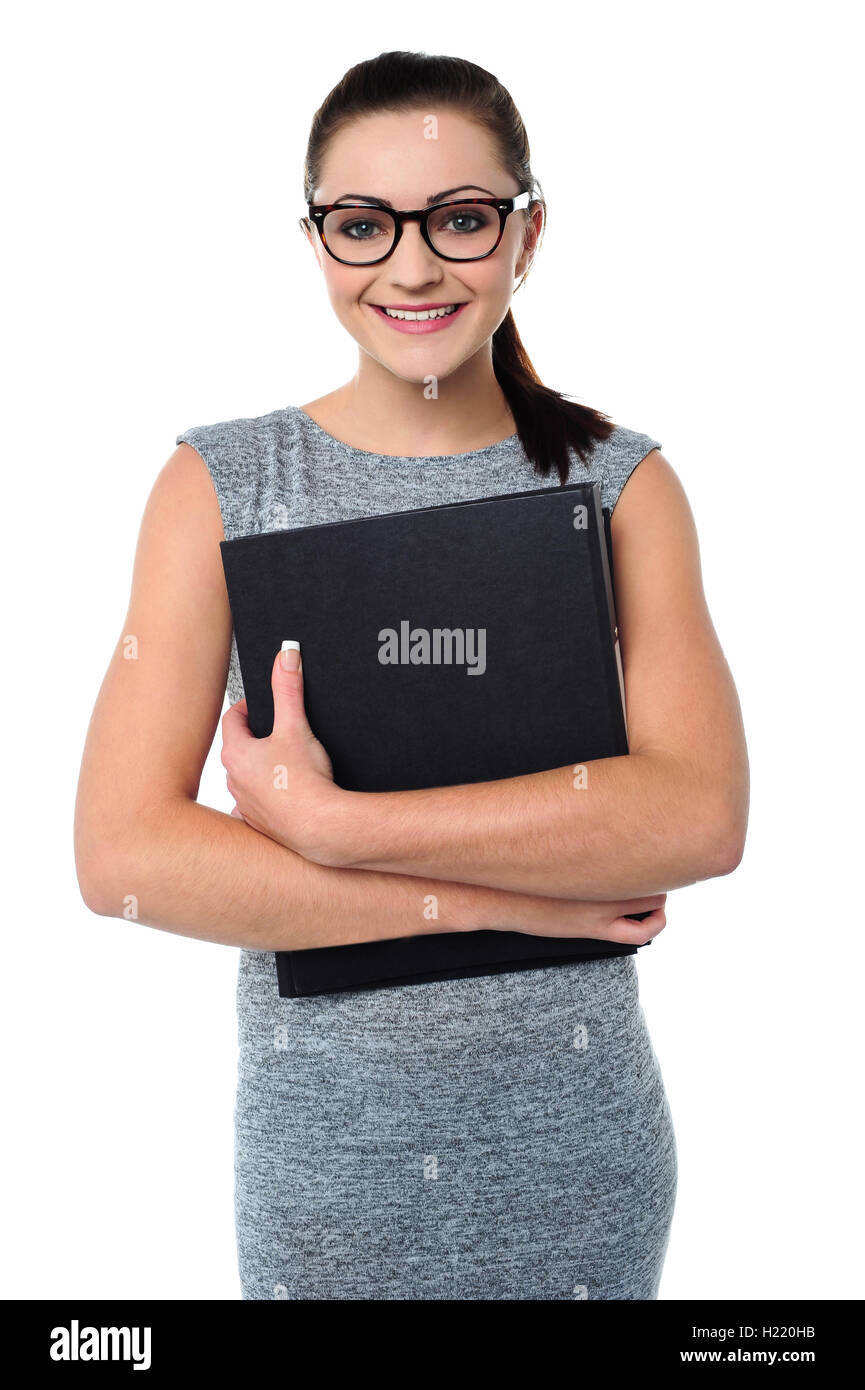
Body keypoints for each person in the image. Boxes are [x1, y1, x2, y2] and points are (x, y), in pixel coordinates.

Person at [74, 50, 749, 1300]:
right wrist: (517, 902)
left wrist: (337, 828)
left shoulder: (619, 483)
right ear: (318, 238)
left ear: (525, 231)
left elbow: (696, 819)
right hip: (328, 1184)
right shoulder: (221, 487)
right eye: (361, 224)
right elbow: (123, 859)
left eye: (459, 217)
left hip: (578, 1166)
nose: (412, 265)